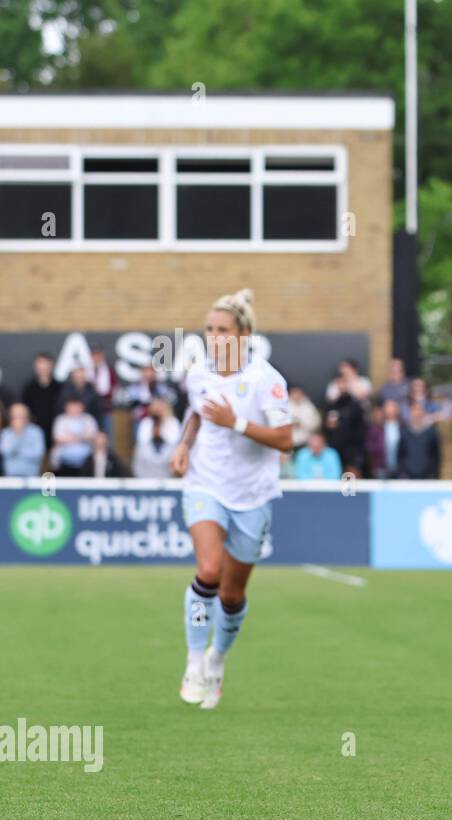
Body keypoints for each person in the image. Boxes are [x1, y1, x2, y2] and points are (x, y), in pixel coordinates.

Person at [170, 288, 293, 711]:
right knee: (208, 569)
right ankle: (192, 662)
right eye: (208, 329)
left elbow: (285, 439)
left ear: (243, 334)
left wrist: (235, 421)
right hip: (205, 485)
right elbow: (197, 414)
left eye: (222, 329)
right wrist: (185, 444)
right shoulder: (199, 374)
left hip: (252, 495)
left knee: (231, 594)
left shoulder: (266, 380)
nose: (214, 336)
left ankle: (216, 661)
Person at [324, 375, 367, 477]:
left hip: (352, 449)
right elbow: (327, 427)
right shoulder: (332, 405)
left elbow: (361, 428)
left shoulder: (356, 406)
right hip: (335, 449)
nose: (342, 386)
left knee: (350, 479)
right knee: (335, 475)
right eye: (340, 383)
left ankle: (350, 493)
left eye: (344, 383)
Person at [132, 398, 181, 479]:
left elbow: (174, 442)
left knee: (173, 450)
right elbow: (142, 442)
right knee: (140, 449)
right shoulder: (145, 422)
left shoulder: (173, 422)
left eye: (159, 406)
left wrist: (161, 433)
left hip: (166, 459)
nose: (157, 409)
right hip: (149, 462)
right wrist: (153, 433)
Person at [50, 396, 98, 474]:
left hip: (86, 458)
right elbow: (57, 438)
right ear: (66, 407)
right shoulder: (60, 419)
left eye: (76, 407)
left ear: (82, 407)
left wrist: (76, 437)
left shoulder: (89, 419)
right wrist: (78, 438)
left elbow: (93, 436)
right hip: (64, 457)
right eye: (71, 407)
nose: (74, 409)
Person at [21, 353, 60, 448]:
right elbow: (25, 409)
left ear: (51, 366)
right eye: (40, 365)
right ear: (35, 367)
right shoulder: (29, 388)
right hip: (34, 430)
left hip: (55, 430)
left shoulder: (59, 387)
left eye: (46, 365)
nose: (43, 368)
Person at [397, 402, 441, 479]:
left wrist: (434, 474)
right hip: (408, 477)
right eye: (414, 410)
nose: (417, 413)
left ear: (423, 412)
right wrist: (402, 473)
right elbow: (400, 455)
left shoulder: (431, 432)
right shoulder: (404, 432)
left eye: (419, 410)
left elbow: (435, 456)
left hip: (426, 477)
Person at [1, 403, 46, 476]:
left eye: (22, 416)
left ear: (27, 417)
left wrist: (17, 453)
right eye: (16, 417)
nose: (19, 420)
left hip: (32, 476)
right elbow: (5, 452)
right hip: (11, 476)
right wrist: (18, 435)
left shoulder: (36, 432)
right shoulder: (6, 433)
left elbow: (38, 454)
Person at [88, 344, 116, 432]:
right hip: (89, 407)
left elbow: (113, 388)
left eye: (98, 355)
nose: (96, 357)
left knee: (106, 431)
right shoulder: (86, 369)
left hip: (105, 407)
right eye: (94, 355)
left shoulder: (109, 370)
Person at [286, 384, 321, 452]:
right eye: (294, 393)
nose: (296, 395)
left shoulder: (309, 407)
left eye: (298, 393)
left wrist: (301, 423)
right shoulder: (285, 405)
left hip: (305, 442)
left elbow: (316, 425)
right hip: (287, 442)